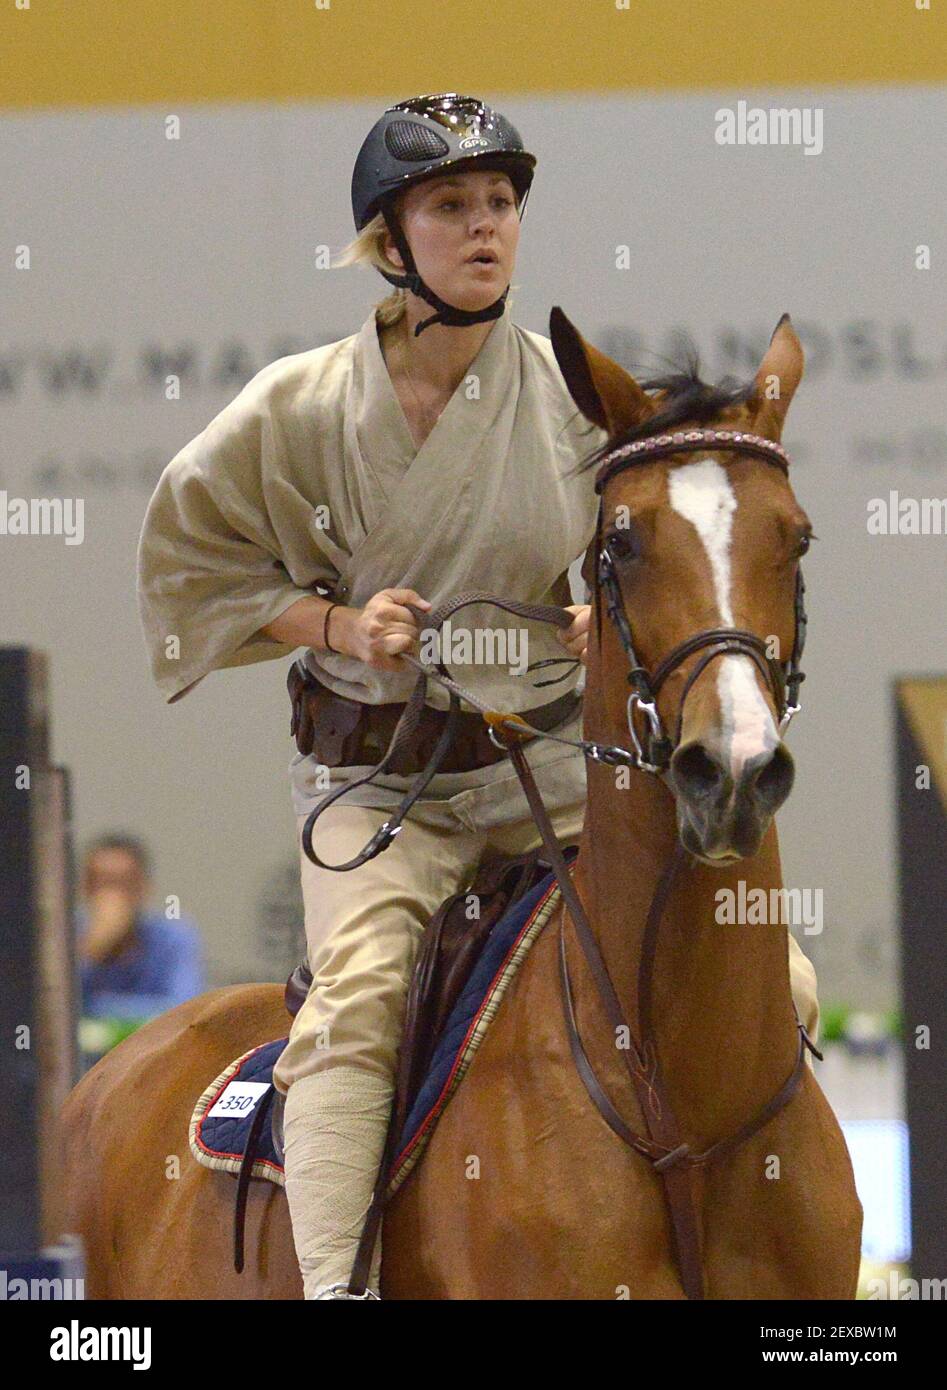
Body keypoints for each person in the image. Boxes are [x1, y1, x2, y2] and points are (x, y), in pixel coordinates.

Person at [136, 93, 821, 1300]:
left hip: (549, 776)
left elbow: (634, 563)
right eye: (450, 205)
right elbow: (193, 565)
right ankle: (337, 1290)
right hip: (376, 785)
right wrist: (337, 622)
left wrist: (588, 622)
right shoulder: (296, 408)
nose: (485, 226)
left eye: (500, 202)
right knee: (352, 1006)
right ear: (388, 242)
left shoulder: (568, 399)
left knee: (782, 971)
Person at [77, 832, 205, 1020]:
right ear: (84, 888)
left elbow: (184, 1011)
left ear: (144, 887)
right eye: (100, 883)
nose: (111, 895)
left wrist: (98, 1008)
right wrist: (91, 951)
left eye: (122, 883)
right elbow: (52, 1012)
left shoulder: (174, 937)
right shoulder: (62, 937)